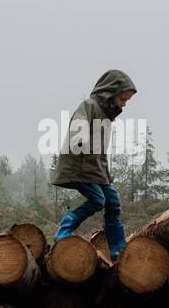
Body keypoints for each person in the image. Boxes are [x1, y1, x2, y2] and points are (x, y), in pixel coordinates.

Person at [50, 69, 137, 258]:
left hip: (96, 171)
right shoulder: (89, 106)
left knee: (113, 203)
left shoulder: (107, 117)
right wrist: (79, 138)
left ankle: (117, 248)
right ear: (111, 92)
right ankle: (63, 231)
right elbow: (78, 122)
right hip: (80, 167)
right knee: (98, 200)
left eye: (126, 101)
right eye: (122, 99)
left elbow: (101, 153)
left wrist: (107, 176)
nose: (124, 104)